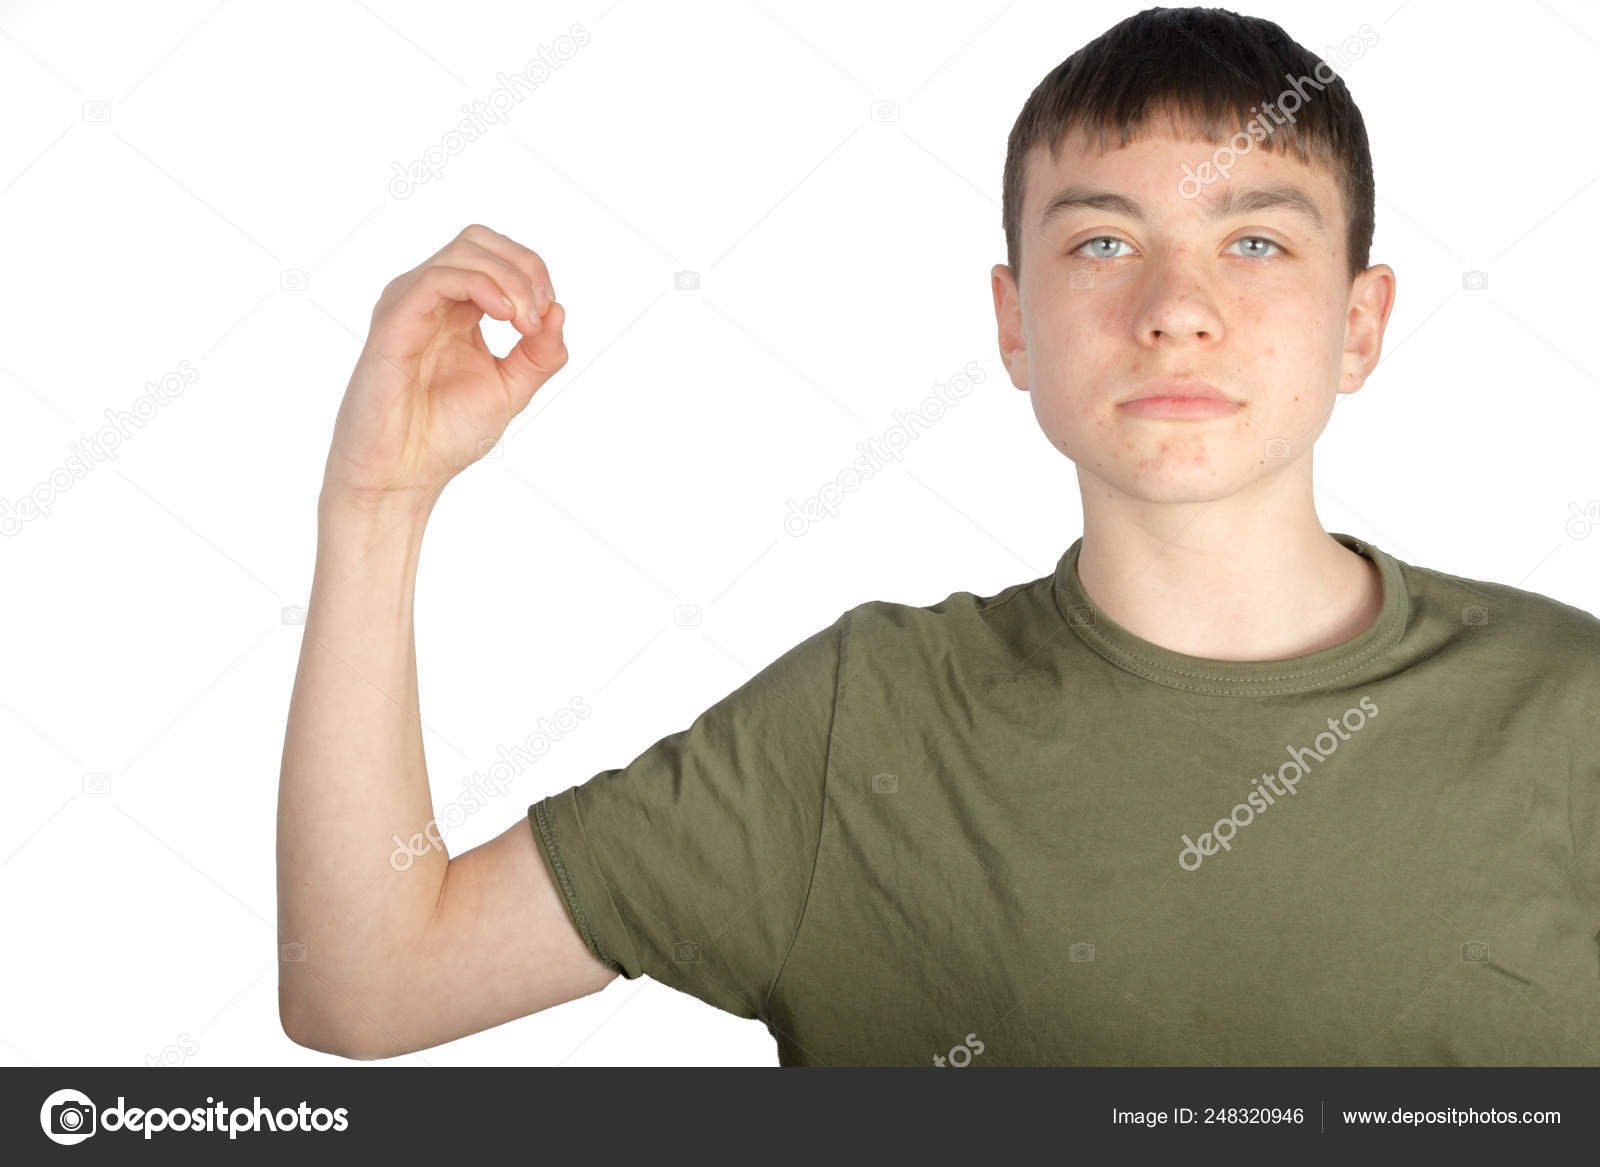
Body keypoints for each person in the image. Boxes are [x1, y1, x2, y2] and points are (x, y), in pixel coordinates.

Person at [277, 7, 1600, 1065]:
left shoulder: (1570, 705)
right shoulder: (866, 725)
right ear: (1013, 324)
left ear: (1359, 323)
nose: (1175, 308)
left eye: (1254, 241)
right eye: (1099, 243)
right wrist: (376, 506)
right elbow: (370, 983)